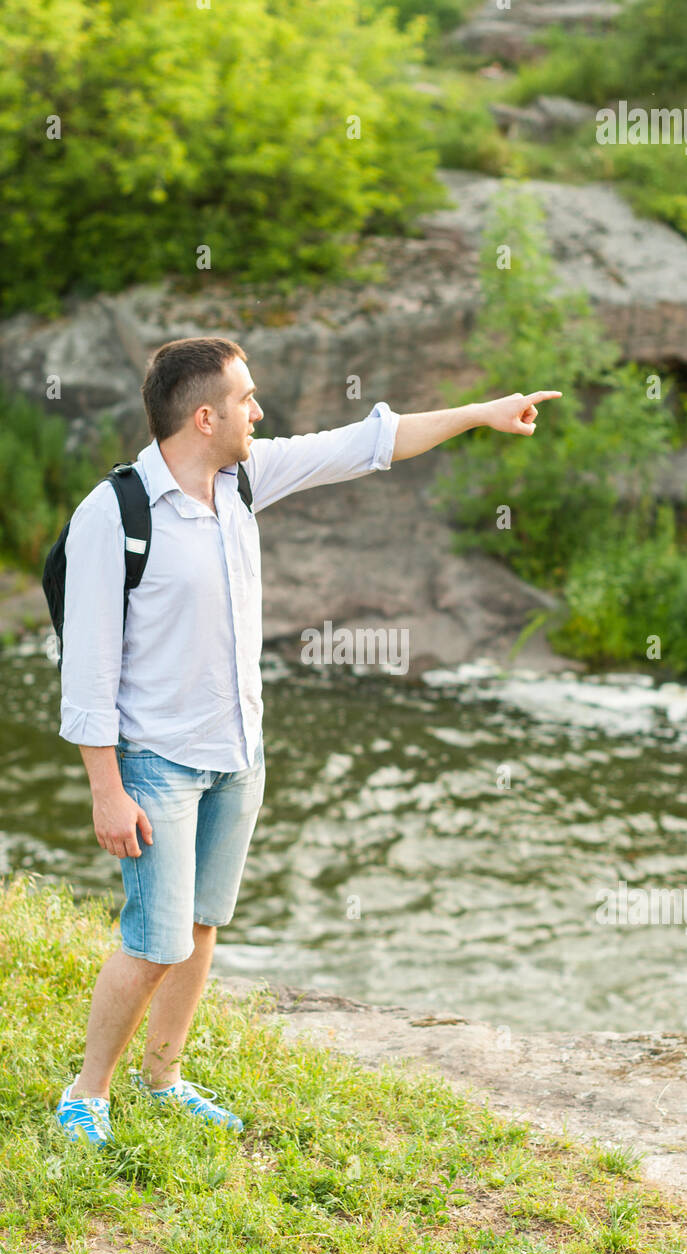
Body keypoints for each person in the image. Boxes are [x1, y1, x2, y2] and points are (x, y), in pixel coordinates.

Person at [55, 334, 560, 1145]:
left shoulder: (244, 476)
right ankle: (87, 1094)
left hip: (238, 752)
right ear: (206, 415)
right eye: (247, 399)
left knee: (203, 925)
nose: (261, 411)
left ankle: (165, 1075)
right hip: (156, 762)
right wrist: (106, 789)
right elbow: (86, 672)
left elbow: (367, 443)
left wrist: (482, 414)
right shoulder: (112, 516)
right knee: (154, 939)